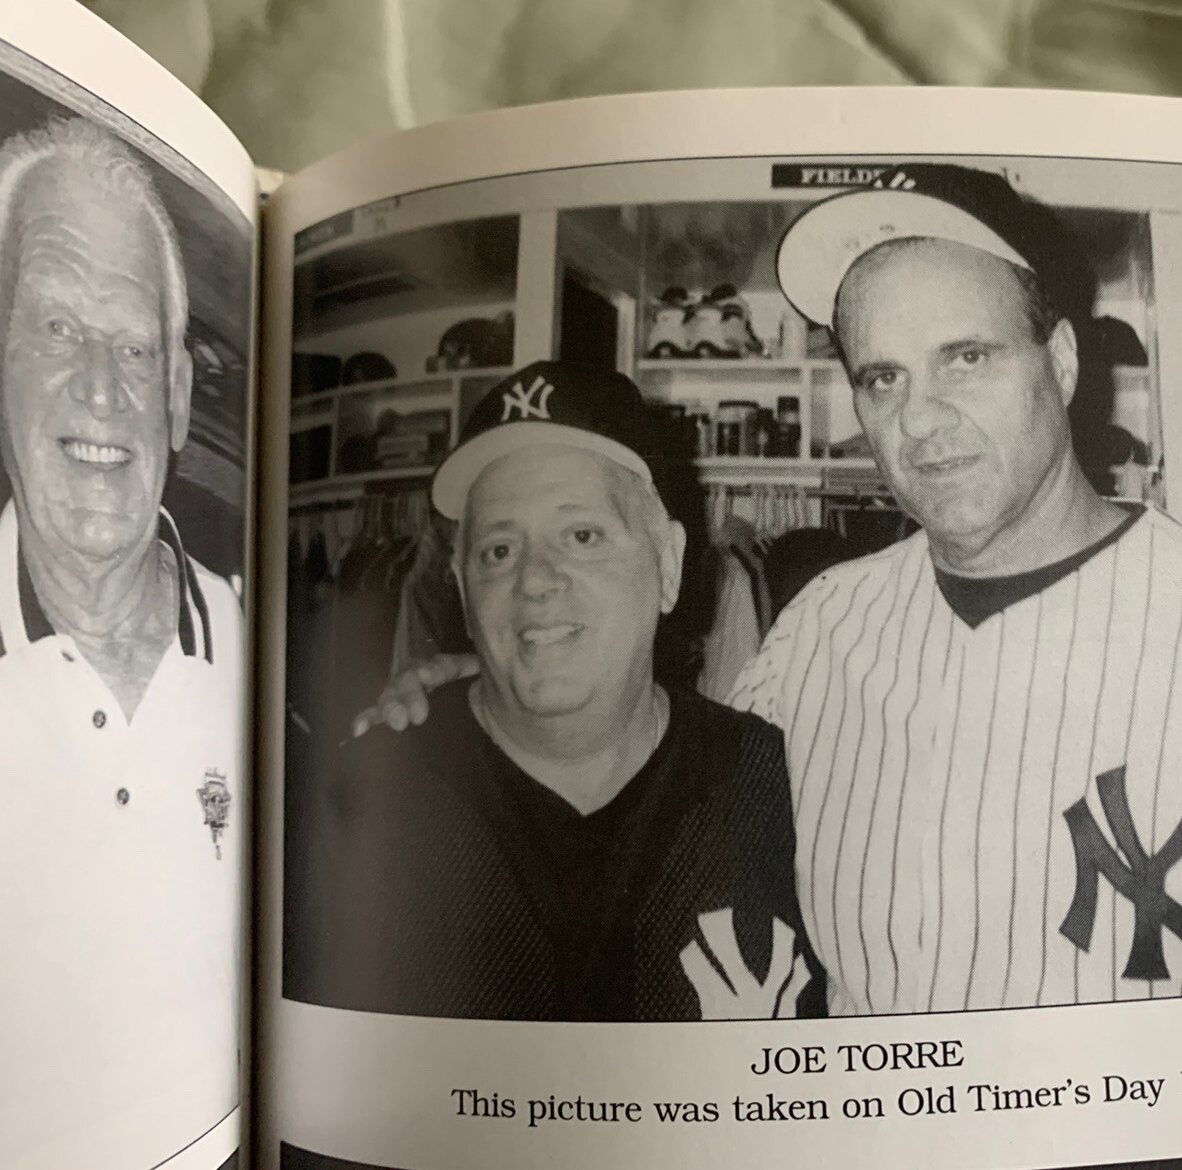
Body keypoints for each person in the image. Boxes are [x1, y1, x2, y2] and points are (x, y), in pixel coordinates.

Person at [359, 165, 1182, 1019]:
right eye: (882, 377)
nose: (920, 418)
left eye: (966, 359)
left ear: (1065, 365)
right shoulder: (823, 626)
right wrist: (481, 690)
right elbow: (672, 766)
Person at [291, 361, 822, 1021]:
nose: (536, 581)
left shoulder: (782, 789)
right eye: (498, 551)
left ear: (668, 565)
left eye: (582, 536)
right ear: (460, 590)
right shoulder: (355, 808)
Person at [0, 118, 245, 1167]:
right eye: (56, 328)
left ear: (180, 398)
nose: (102, 389)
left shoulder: (265, 655)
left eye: (136, 345)